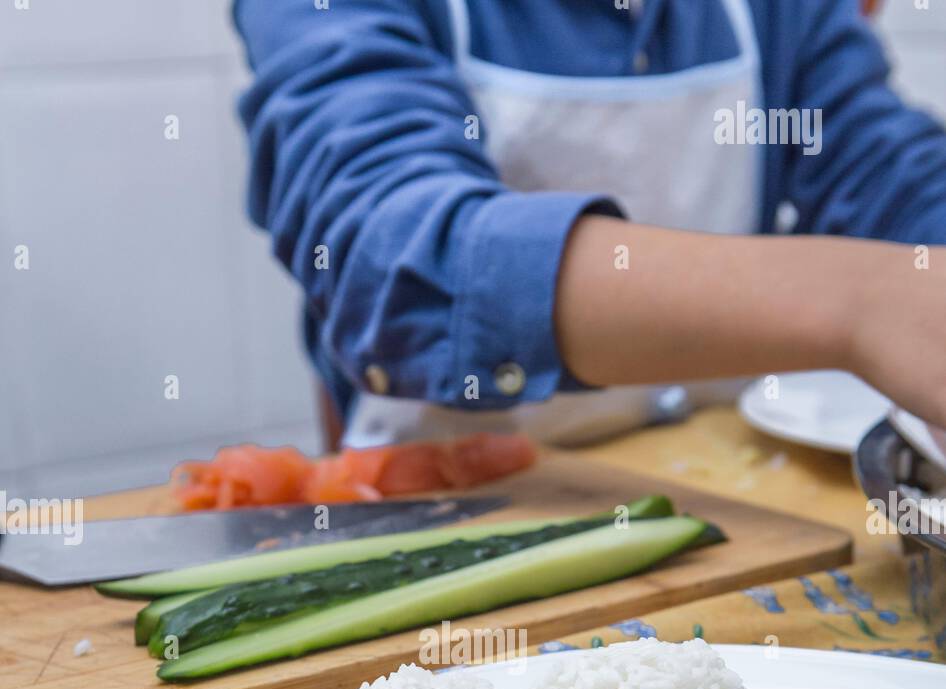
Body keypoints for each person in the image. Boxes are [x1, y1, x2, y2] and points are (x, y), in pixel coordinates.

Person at [233, 0, 946, 449]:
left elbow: (892, 173)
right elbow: (391, 256)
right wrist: (861, 304)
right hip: (447, 528)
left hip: (729, 504)